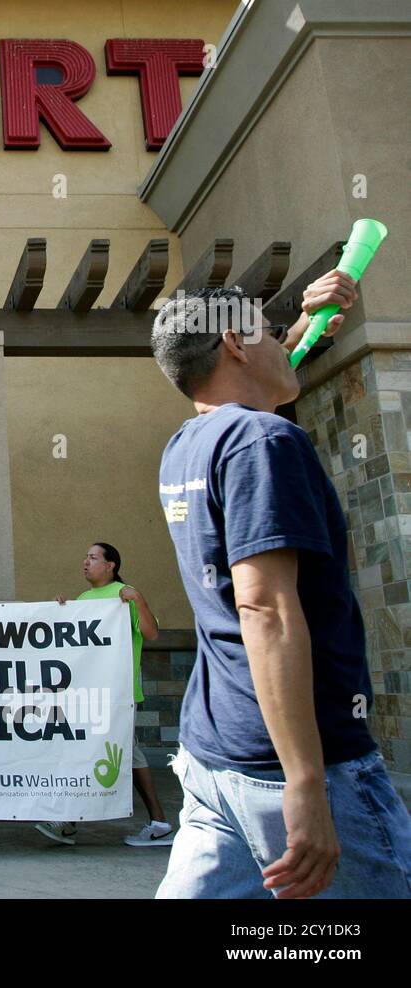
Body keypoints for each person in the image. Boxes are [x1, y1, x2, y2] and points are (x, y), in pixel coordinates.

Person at [150, 278, 411, 898]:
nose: (282, 345)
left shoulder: (189, 446)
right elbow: (263, 607)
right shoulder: (266, 442)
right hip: (298, 761)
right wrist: (306, 782)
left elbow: (247, 388)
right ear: (234, 342)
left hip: (216, 754)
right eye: (265, 333)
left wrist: (297, 328)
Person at [36, 542, 172, 847]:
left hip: (119, 696)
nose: (85, 562)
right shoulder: (85, 598)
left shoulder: (125, 594)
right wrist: (61, 609)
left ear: (110, 565)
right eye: (85, 557)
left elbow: (151, 634)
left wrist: (138, 599)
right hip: (91, 696)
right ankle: (74, 821)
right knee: (105, 753)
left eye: (93, 558)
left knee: (120, 756)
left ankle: (72, 821)